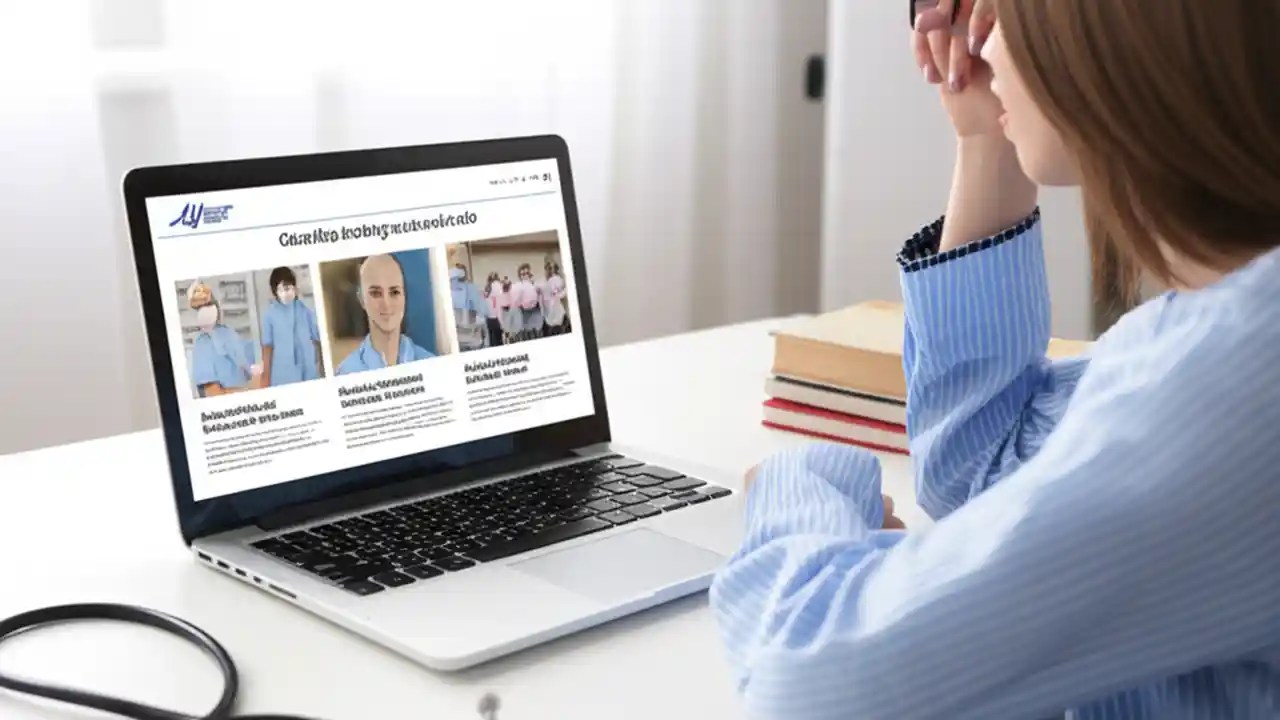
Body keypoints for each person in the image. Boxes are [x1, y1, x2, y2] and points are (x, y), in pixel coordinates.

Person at [708, 2, 1280, 718]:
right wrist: (990, 138)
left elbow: (810, 684)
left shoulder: (1232, 393)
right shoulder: (1224, 323)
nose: (976, 35)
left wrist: (794, 490)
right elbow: (991, 468)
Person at [336, 254, 434, 375]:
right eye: (375, 293)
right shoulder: (345, 372)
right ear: (361, 300)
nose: (386, 304)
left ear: (404, 296)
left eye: (394, 292)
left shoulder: (433, 366)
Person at [187, 281, 261, 397]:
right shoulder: (203, 346)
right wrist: (251, 390)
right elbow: (213, 394)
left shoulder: (227, 333)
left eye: (212, 303)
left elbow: (251, 356)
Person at [260, 266, 322, 386]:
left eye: (287, 288)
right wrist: (265, 377)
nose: (285, 293)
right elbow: (267, 347)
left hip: (308, 372)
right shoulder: (270, 314)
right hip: (282, 374)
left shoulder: (305, 310)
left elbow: (318, 339)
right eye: (280, 290)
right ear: (274, 292)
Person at [450, 264, 489, 351]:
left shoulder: (449, 292)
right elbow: (483, 313)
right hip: (471, 337)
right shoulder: (472, 289)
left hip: (460, 338)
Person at [511, 263, 542, 342]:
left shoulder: (536, 284)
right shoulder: (518, 286)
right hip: (524, 315)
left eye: (527, 273)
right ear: (520, 276)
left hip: (536, 314)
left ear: (530, 274)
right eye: (523, 274)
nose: (525, 276)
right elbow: (515, 302)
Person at [540, 262, 568, 336]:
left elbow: (561, 293)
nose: (550, 271)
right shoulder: (547, 281)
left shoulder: (556, 279)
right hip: (550, 314)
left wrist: (556, 295)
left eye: (552, 268)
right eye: (548, 269)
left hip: (557, 313)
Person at [483, 271, 505, 347]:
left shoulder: (487, 289)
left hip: (489, 319)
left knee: (492, 341)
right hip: (496, 319)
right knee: (499, 341)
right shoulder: (497, 286)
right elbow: (499, 308)